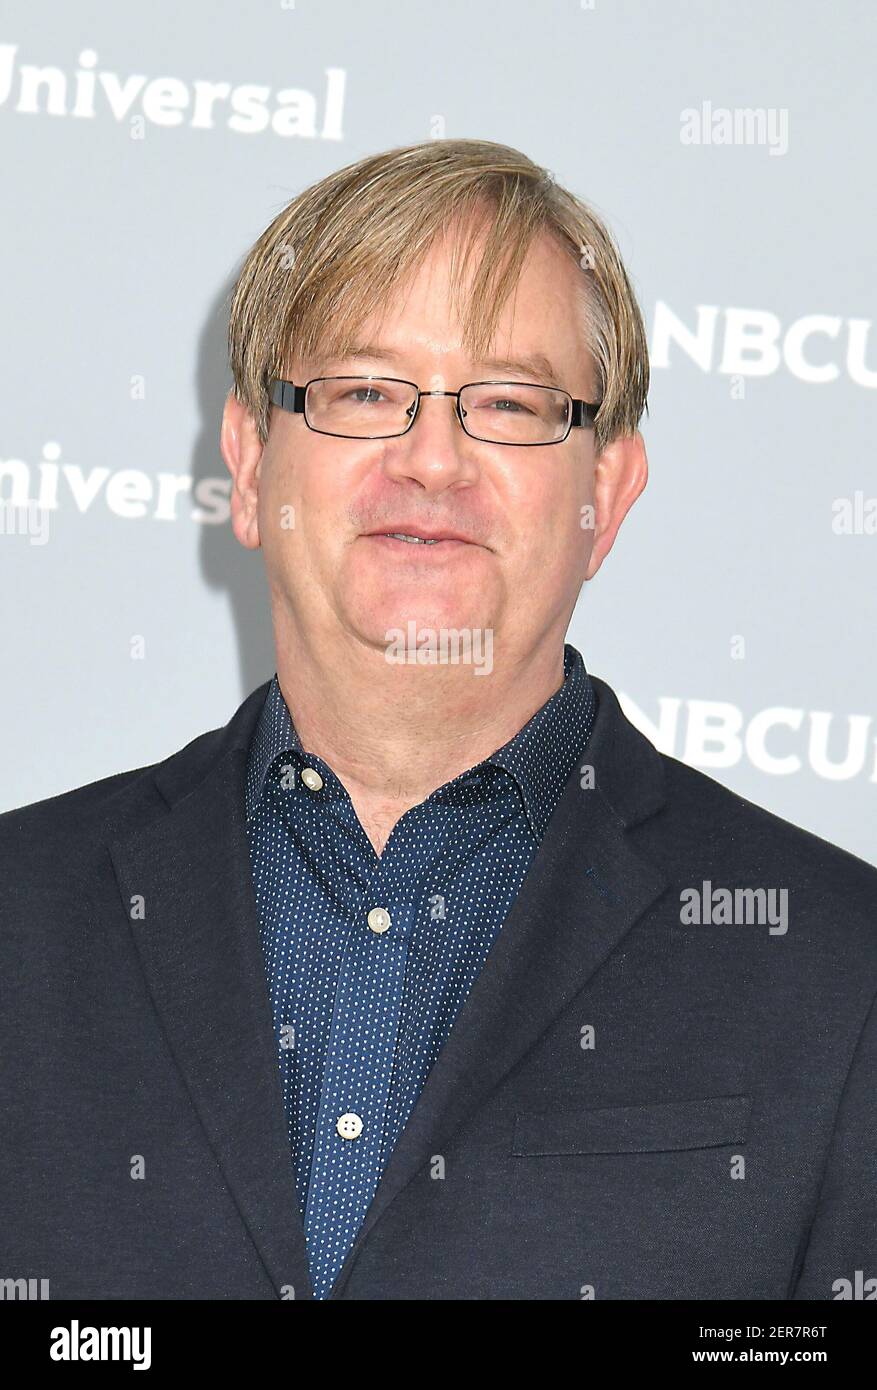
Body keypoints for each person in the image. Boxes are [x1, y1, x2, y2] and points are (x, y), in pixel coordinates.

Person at [2, 139, 875, 1301]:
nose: (431, 459)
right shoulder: (22, 919)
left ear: (604, 497)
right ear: (252, 459)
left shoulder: (835, 965)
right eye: (364, 391)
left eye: (510, 404)